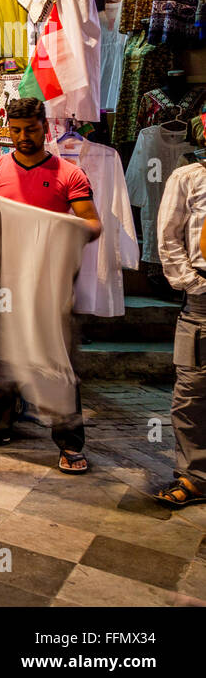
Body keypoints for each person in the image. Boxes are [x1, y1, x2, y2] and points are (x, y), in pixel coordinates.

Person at [0, 96, 102, 474]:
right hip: (0, 279)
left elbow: (92, 225)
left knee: (56, 360)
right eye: (17, 130)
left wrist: (53, 230)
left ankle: (70, 443)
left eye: (31, 130)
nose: (23, 137)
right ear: (8, 129)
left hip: (46, 284)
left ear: (45, 128)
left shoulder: (69, 174)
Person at [154, 152, 206, 507]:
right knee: (192, 392)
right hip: (203, 302)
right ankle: (195, 475)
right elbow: (169, 237)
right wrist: (194, 284)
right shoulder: (189, 177)